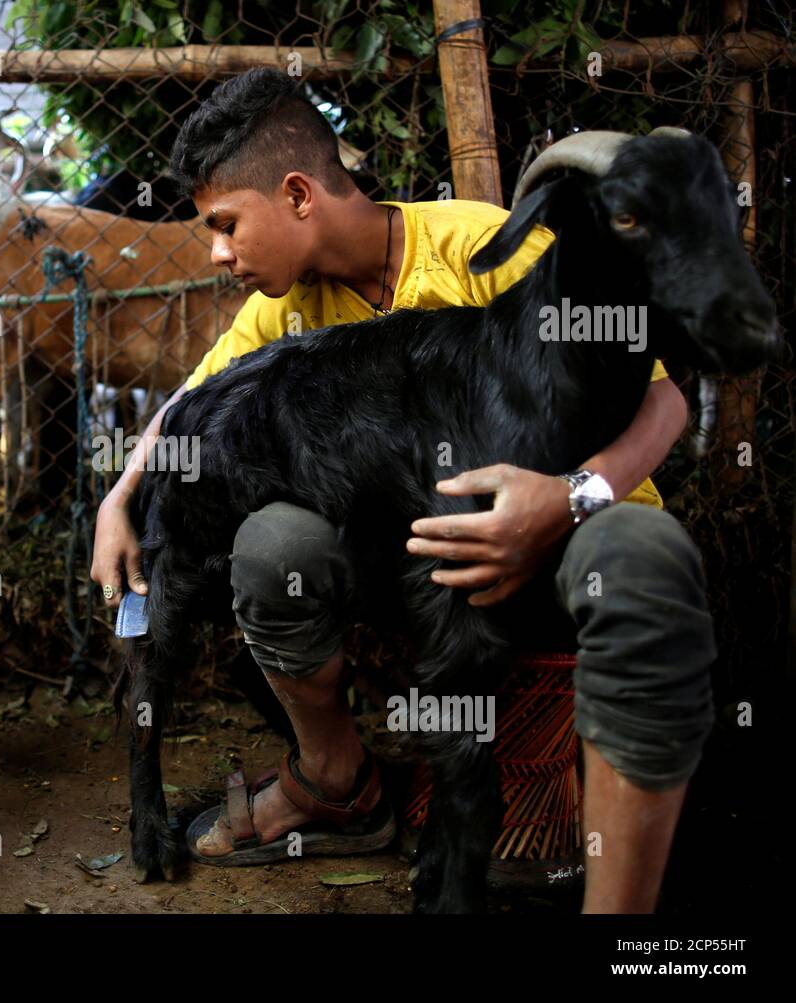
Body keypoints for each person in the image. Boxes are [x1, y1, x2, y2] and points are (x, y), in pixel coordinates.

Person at [90, 68, 717, 913]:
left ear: (299, 194)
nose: (218, 252)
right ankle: (338, 782)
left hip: (576, 530)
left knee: (639, 565)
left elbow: (664, 390)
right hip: (435, 578)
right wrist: (120, 495)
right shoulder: (287, 311)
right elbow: (192, 401)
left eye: (226, 225)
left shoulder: (481, 244)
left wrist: (567, 498)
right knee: (277, 548)